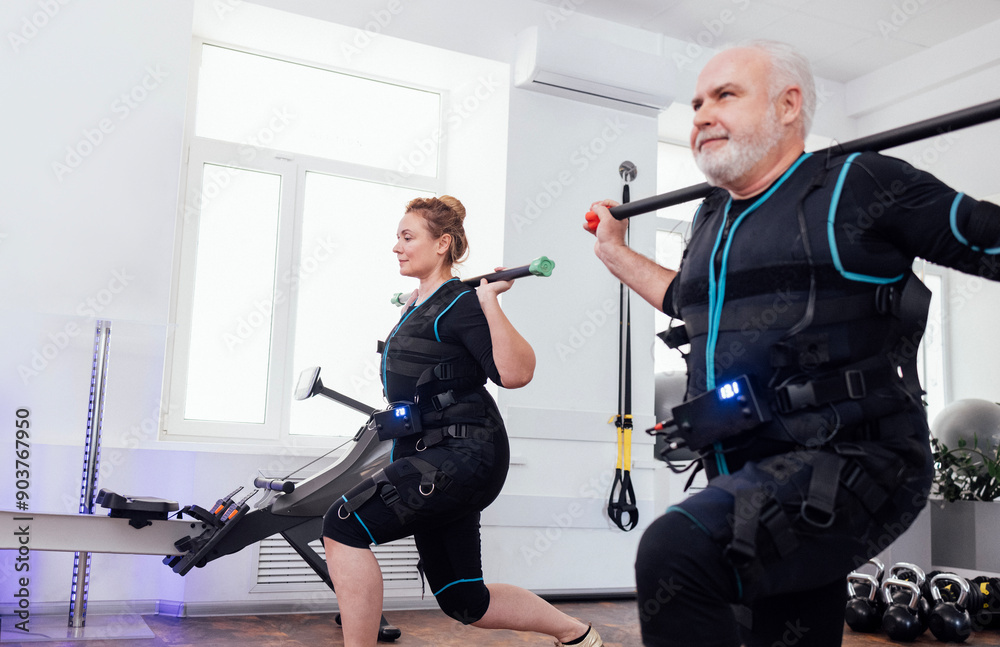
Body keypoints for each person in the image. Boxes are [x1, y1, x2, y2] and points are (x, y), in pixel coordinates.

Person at [586, 40, 1000, 646]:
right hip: (748, 461)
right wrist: (613, 252)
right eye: (696, 104)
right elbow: (687, 301)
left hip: (856, 456)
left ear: (787, 106)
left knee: (676, 551)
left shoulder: (858, 183)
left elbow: (989, 239)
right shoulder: (713, 217)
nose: (701, 114)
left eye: (725, 95)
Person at [322, 195, 603, 647]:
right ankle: (578, 635)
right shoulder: (422, 305)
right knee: (464, 600)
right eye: (397, 237)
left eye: (407, 237)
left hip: (463, 454)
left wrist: (489, 302)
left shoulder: (461, 304)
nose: (396, 246)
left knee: (343, 524)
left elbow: (516, 373)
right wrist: (415, 310)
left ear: (442, 244)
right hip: (432, 454)